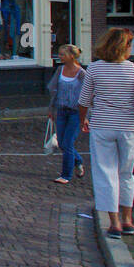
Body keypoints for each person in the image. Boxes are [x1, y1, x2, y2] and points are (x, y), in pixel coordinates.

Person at [78, 28, 134, 239]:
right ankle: (128, 219)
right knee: (126, 173)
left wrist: (83, 120)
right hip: (131, 127)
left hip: (102, 126)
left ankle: (114, 222)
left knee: (105, 172)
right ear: (125, 47)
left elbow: (83, 101)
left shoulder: (94, 69)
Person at [47, 44, 86, 184]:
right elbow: (53, 90)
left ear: (71, 56)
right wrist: (51, 109)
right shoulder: (59, 70)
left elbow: (88, 95)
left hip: (75, 112)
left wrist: (85, 116)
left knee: (68, 143)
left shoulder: (81, 74)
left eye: (63, 54)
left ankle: (66, 175)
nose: (60, 56)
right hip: (61, 110)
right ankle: (78, 161)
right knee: (62, 143)